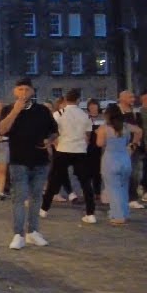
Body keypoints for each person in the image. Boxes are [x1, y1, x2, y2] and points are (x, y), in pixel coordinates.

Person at [0, 78, 57, 250]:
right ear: (15, 92)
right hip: (19, 160)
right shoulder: (8, 109)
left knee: (36, 197)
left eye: (27, 89)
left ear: (32, 91)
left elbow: (54, 131)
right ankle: (18, 234)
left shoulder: (42, 110)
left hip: (40, 160)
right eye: (20, 89)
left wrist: (50, 141)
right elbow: (2, 130)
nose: (23, 93)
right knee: (19, 197)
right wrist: (15, 112)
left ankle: (33, 231)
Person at [40, 89, 98, 225]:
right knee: (85, 183)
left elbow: (52, 132)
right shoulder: (85, 116)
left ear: (66, 100)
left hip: (63, 149)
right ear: (78, 100)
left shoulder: (58, 114)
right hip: (80, 150)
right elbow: (88, 136)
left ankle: (44, 209)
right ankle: (90, 213)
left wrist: (55, 143)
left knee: (54, 180)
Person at [96, 104, 142, 226]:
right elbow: (139, 131)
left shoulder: (104, 128)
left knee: (113, 189)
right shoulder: (126, 126)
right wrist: (133, 144)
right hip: (125, 158)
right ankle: (124, 213)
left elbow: (99, 144)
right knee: (123, 187)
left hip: (110, 159)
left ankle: (118, 215)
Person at [116, 91, 146, 211]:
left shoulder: (135, 112)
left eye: (133, 96)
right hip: (120, 146)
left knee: (135, 173)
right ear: (121, 98)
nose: (133, 99)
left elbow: (140, 129)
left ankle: (132, 198)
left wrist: (135, 144)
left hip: (134, 146)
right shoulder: (116, 111)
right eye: (130, 97)